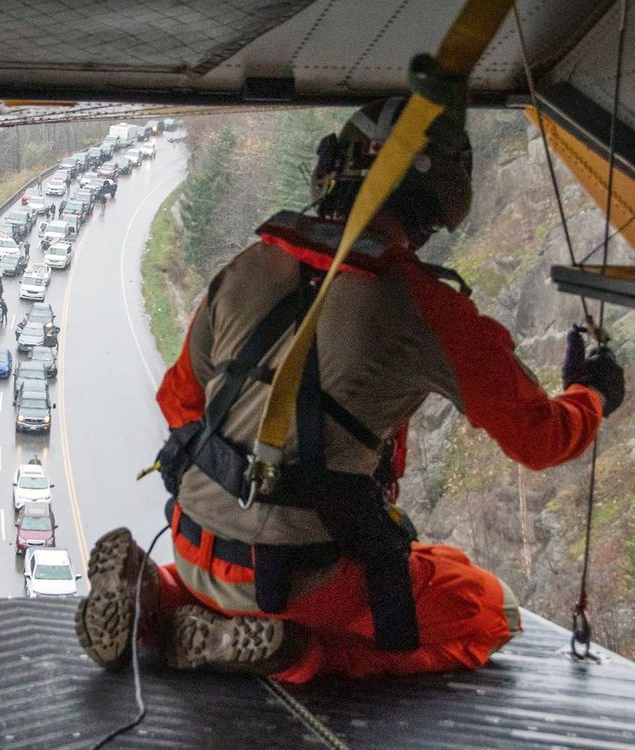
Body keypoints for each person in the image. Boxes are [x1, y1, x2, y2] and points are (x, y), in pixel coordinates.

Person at [75, 97, 625, 683]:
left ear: (331, 170)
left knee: (240, 574)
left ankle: (157, 601)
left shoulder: (247, 266)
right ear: (435, 206)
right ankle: (296, 652)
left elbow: (181, 402)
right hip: (301, 577)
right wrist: (590, 394)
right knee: (485, 609)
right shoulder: (427, 308)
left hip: (192, 544)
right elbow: (541, 439)